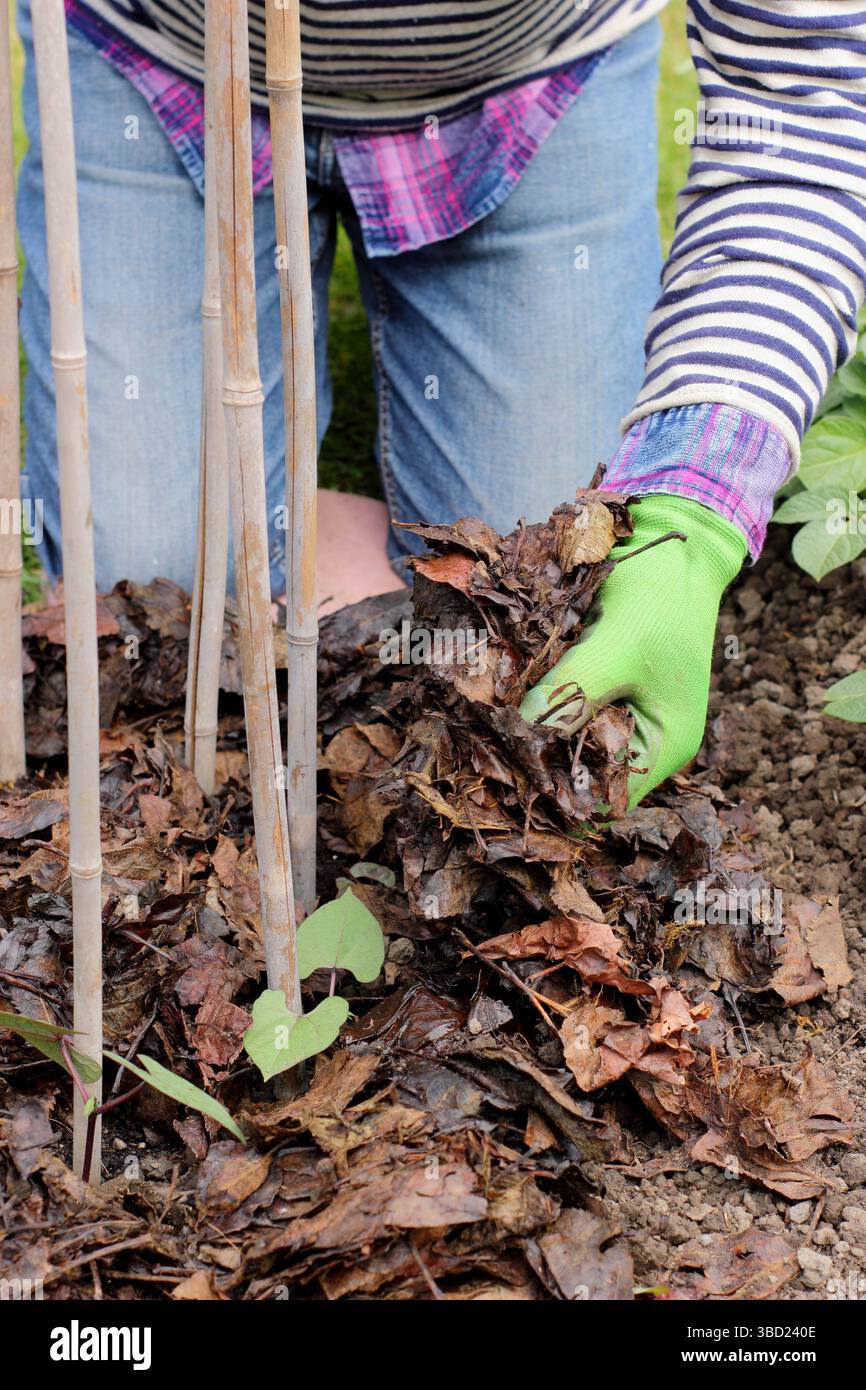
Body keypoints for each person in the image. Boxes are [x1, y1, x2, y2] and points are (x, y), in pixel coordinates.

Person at [16, 1, 866, 804]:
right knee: (153, 604)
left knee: (533, 602)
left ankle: (311, 552)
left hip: (522, 87)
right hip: (166, 63)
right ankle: (275, 533)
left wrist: (699, 513)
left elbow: (807, 99)